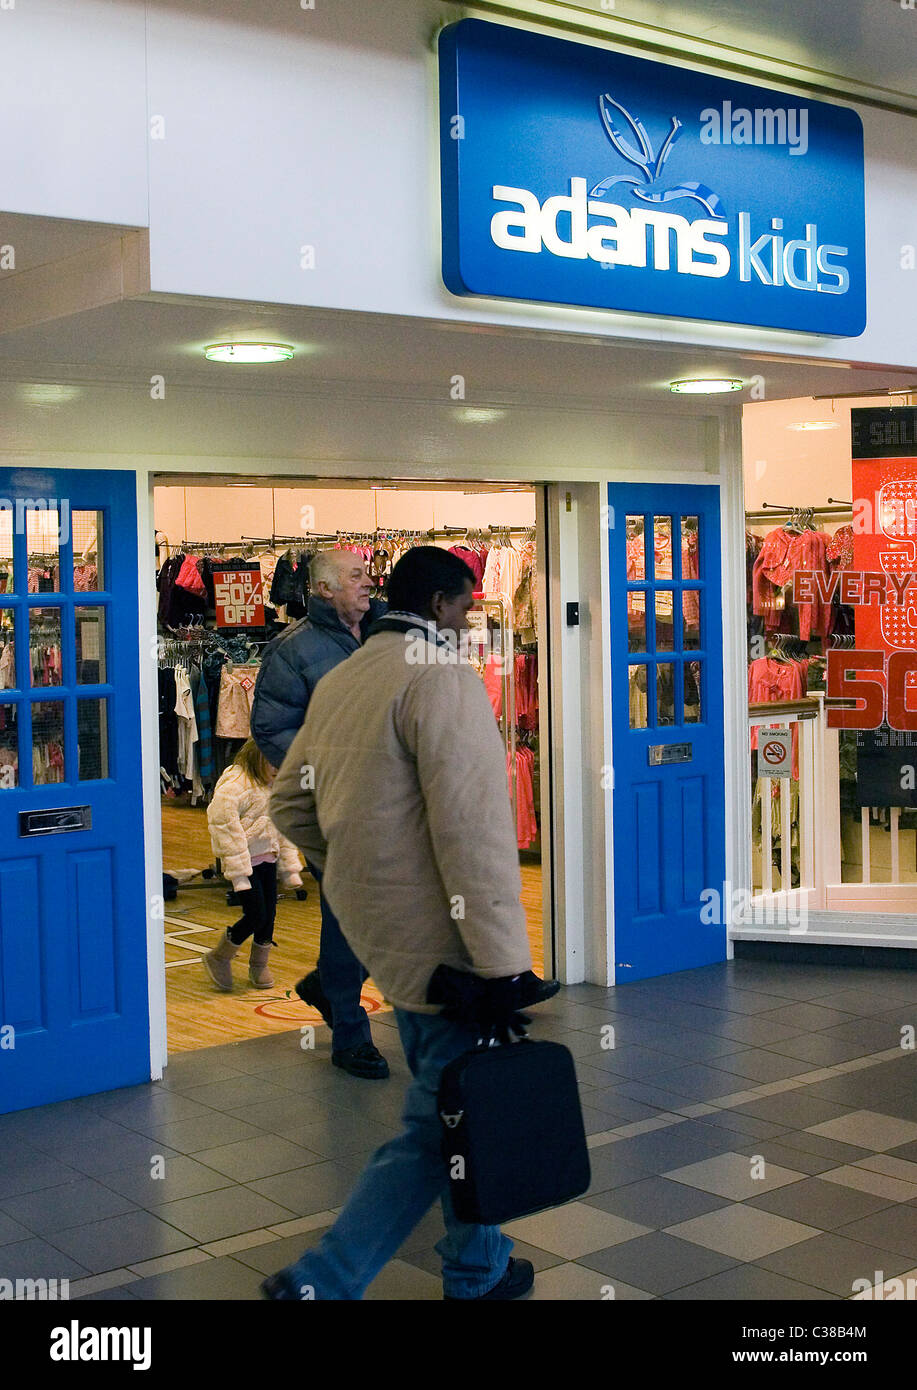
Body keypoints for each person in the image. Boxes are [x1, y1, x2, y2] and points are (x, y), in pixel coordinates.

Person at [263, 547, 557, 1301]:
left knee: (463, 1102)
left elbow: (290, 805)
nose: (470, 622)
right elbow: (473, 834)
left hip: (388, 941)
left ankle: (479, 1266)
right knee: (434, 1130)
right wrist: (503, 968)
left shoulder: (346, 677)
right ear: (437, 605)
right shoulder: (443, 682)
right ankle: (320, 1282)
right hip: (453, 958)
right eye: (465, 607)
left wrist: (365, 878)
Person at [250, 549, 390, 1080]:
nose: (367, 582)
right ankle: (350, 1035)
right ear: (325, 589)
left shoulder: (389, 633)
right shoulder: (292, 650)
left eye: (367, 575)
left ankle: (323, 986)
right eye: (356, 576)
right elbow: (271, 729)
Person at [203, 739, 303, 991]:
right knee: (256, 912)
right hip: (244, 863)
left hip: (267, 859)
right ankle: (221, 955)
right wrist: (237, 872)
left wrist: (290, 866)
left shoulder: (275, 785)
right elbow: (224, 825)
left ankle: (259, 963)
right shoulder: (235, 785)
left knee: (269, 914)